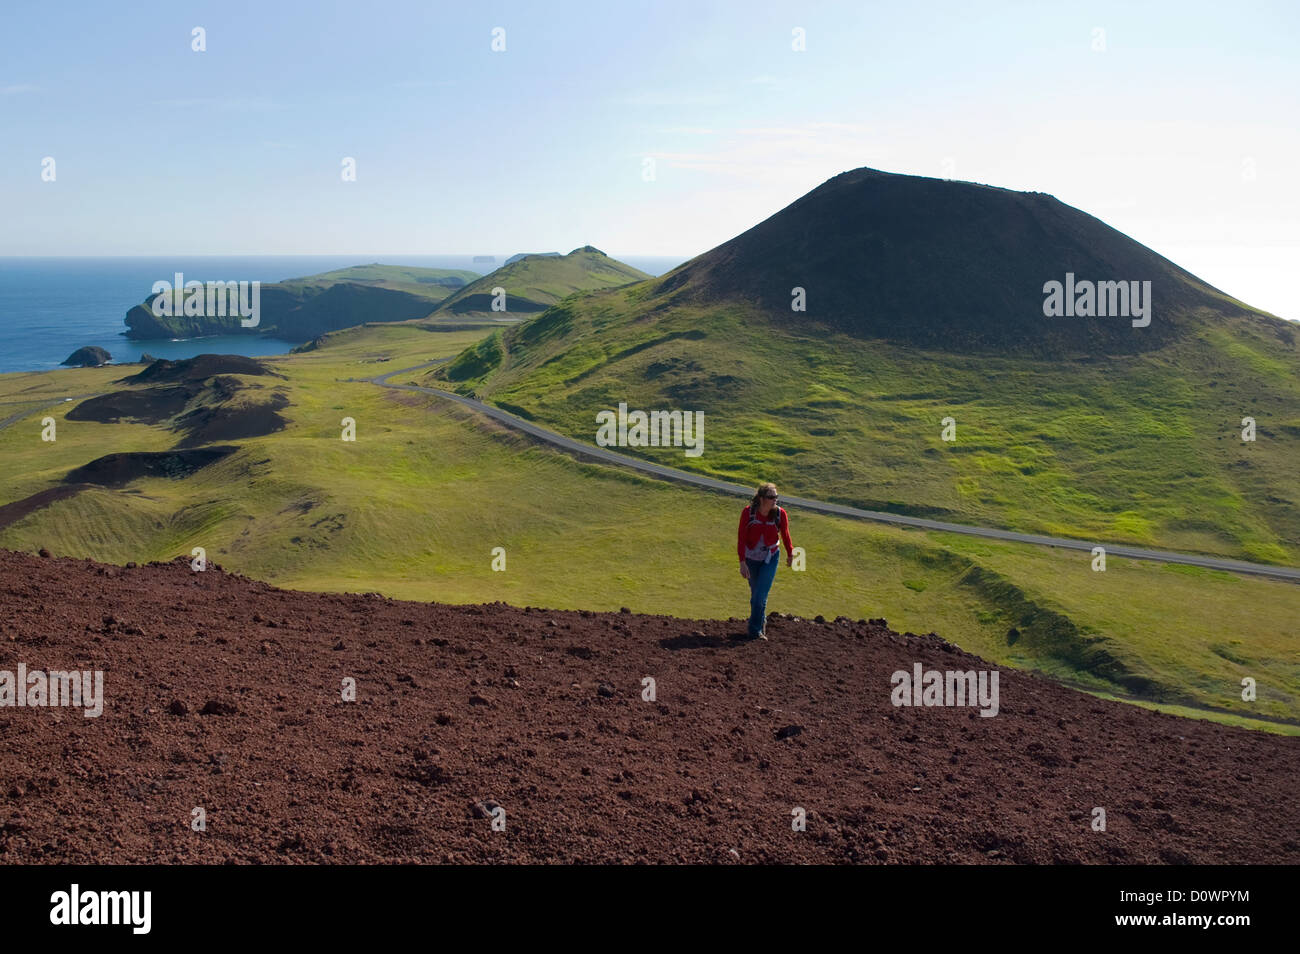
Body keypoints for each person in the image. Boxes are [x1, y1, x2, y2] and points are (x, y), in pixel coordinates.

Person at [737, 482, 794, 640]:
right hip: (751, 559)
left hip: (771, 557)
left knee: (760, 596)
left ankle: (754, 631)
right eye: (771, 497)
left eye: (776, 496)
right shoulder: (748, 513)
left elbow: (785, 534)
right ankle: (761, 622)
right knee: (756, 595)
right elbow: (741, 538)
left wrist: (790, 553)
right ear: (761, 498)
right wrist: (742, 562)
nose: (774, 499)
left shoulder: (780, 514)